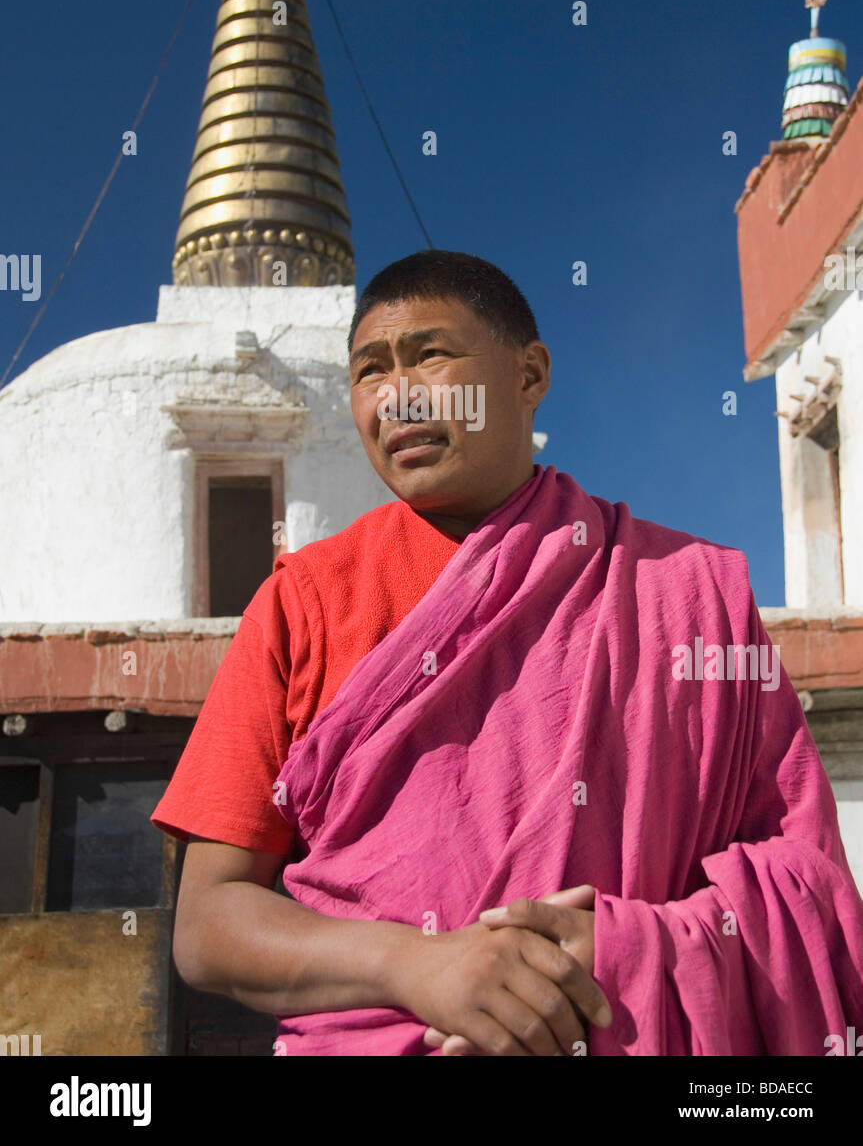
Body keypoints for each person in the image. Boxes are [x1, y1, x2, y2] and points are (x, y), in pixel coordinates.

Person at [151, 250, 863, 1056]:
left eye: (429, 354)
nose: (398, 397)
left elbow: (807, 886)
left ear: (529, 376)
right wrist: (415, 965)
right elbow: (208, 924)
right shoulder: (301, 604)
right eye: (368, 370)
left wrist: (626, 954)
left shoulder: (687, 594)